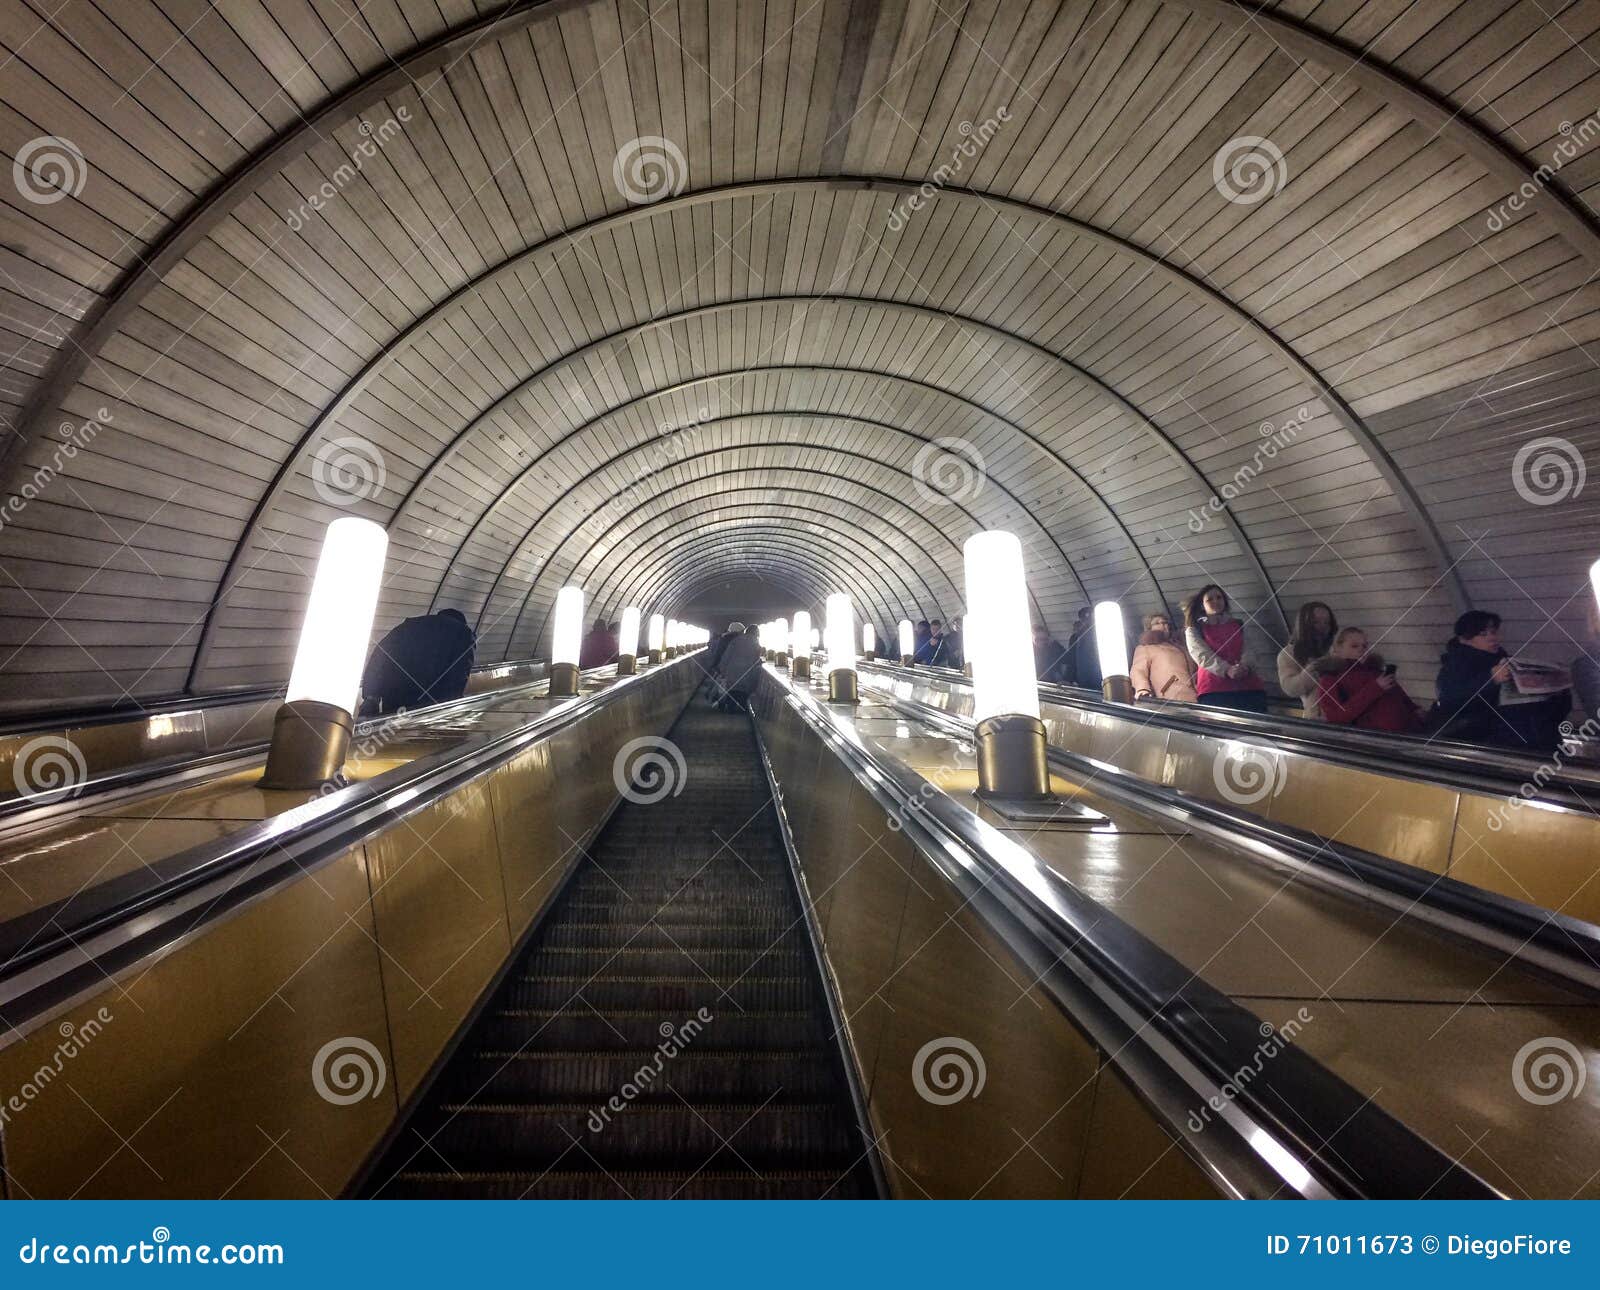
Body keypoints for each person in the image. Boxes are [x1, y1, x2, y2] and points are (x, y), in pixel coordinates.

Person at [1431, 610, 1569, 750]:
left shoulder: (1502, 660)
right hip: (1496, 746)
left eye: (1494, 632)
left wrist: (1555, 690)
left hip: (1534, 740)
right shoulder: (1455, 666)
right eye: (1483, 634)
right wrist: (1490, 680)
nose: (1492, 638)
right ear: (1463, 639)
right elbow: (1450, 701)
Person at [359, 608, 476, 715]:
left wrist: (371, 696)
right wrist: (453, 706)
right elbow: (460, 671)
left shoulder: (407, 627)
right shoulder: (463, 632)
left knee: (394, 732)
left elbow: (380, 656)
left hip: (394, 696)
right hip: (431, 702)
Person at [1312, 628, 1423, 733]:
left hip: (1406, 736)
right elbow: (1336, 717)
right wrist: (1375, 688)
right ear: (1338, 650)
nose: (1361, 650)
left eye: (1364, 646)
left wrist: (1415, 711)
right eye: (1354, 646)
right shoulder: (1331, 679)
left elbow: (1403, 701)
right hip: (1371, 740)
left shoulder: (1376, 672)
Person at [1183, 584, 1267, 713]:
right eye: (1210, 599)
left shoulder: (1238, 624)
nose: (1215, 601)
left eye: (1219, 597)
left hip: (1248, 686)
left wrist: (1245, 666)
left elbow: (1249, 648)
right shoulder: (1194, 629)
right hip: (1215, 689)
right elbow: (1202, 655)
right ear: (1202, 605)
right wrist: (1227, 670)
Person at [1277, 601, 1337, 720]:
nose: (1322, 626)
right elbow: (1290, 688)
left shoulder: (1337, 648)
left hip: (1345, 715)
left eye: (1327, 622)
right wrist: (1314, 669)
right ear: (1304, 624)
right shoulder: (1289, 653)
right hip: (1317, 717)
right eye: (1316, 622)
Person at [1129, 612, 1197, 703]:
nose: (1163, 625)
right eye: (1157, 623)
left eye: (1165, 622)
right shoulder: (1146, 647)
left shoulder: (1182, 647)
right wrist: (1142, 689)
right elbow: (1138, 670)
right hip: (1169, 695)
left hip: (1195, 695)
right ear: (1149, 628)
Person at [714, 622, 764, 711]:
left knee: (732, 689)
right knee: (743, 692)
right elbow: (757, 659)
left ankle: (730, 707)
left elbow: (727, 655)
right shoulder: (756, 643)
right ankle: (743, 708)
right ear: (756, 633)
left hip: (732, 670)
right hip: (747, 672)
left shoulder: (736, 640)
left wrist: (722, 668)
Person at [1064, 607, 1093, 688]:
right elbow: (1072, 659)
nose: (1088, 622)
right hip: (1085, 681)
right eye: (1084, 619)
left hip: (1101, 681)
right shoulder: (1076, 638)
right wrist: (1068, 679)